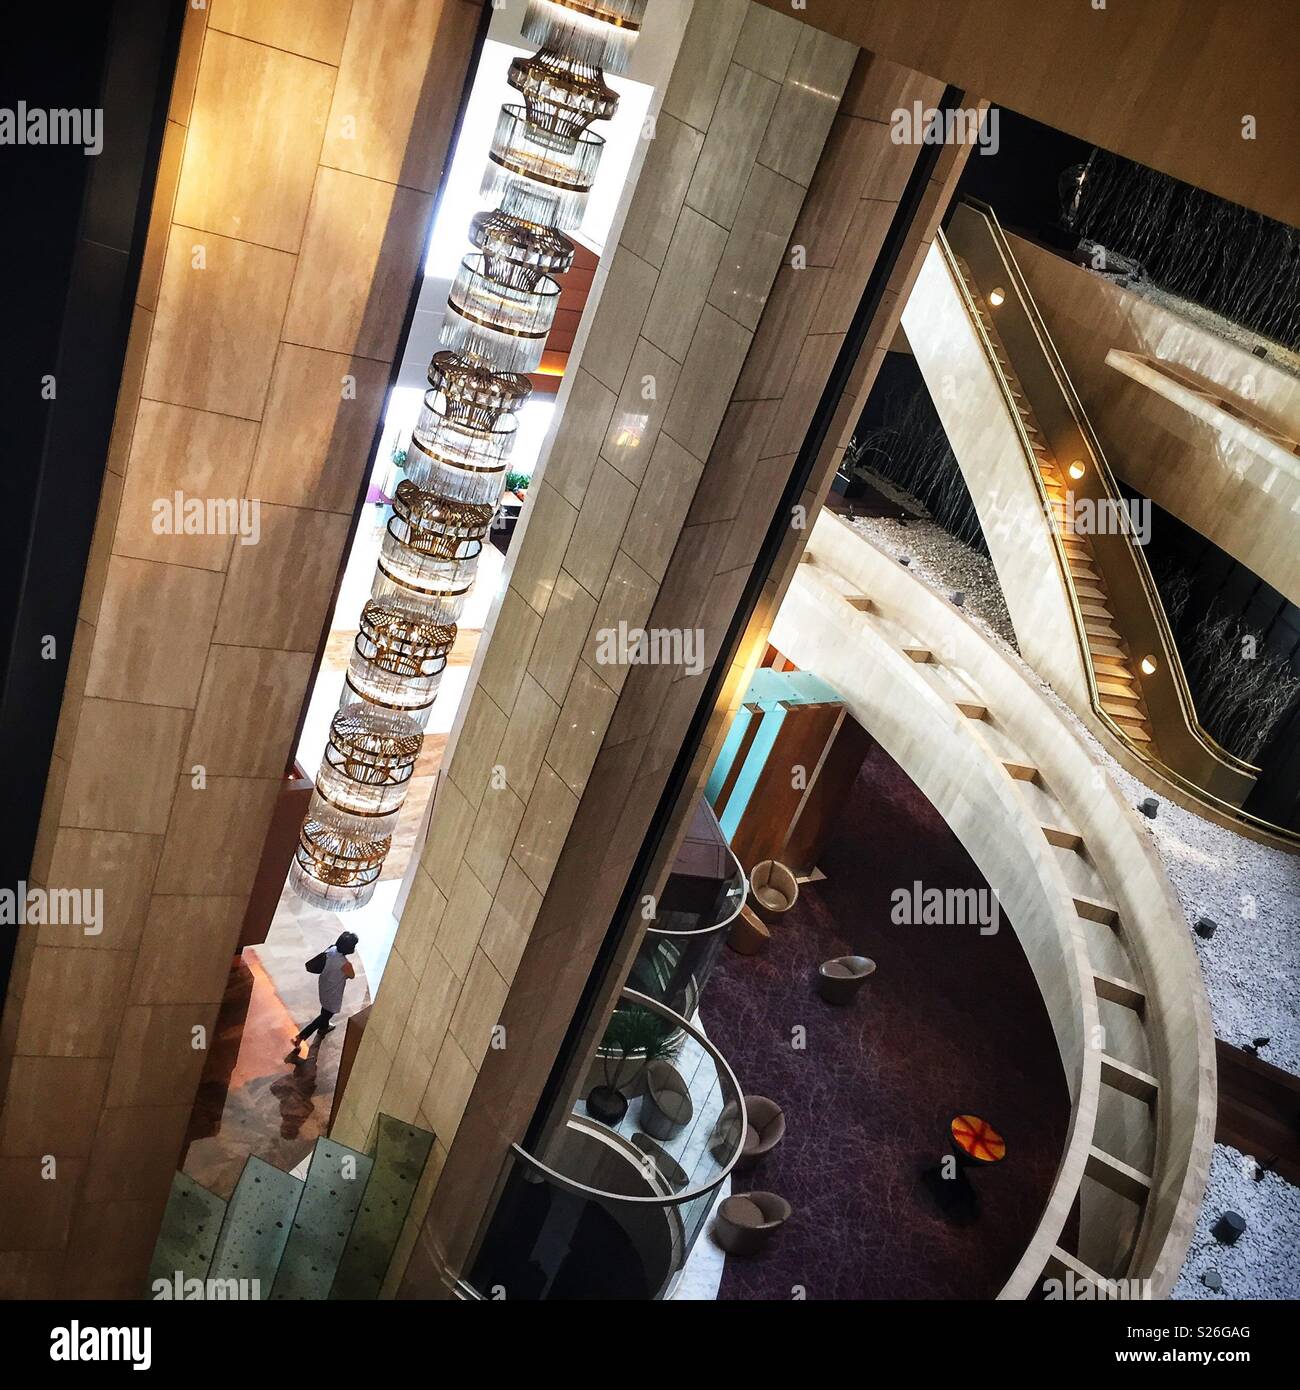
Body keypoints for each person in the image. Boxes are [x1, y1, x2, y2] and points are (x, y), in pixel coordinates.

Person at [286, 931, 358, 1064]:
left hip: (324, 986)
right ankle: (300, 1037)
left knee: (324, 1011)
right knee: (325, 1015)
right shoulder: (345, 964)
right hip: (333, 993)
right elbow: (352, 976)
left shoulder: (331, 949)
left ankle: (324, 1027)